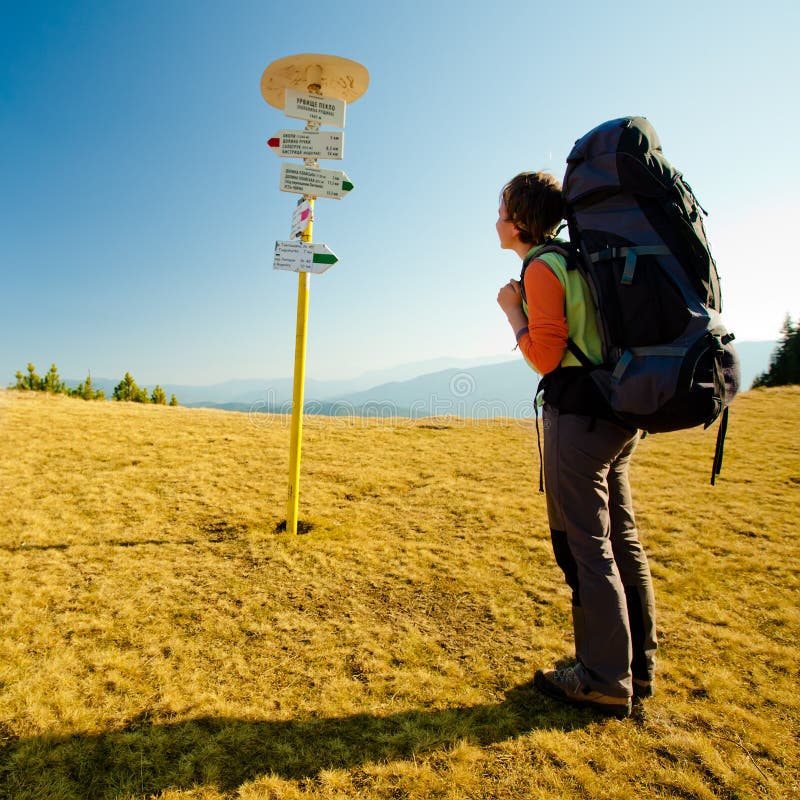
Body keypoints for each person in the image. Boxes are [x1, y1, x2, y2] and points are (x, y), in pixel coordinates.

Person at [495, 171, 657, 719]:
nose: (496, 220)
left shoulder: (542, 267)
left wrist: (512, 312)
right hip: (616, 412)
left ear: (519, 220)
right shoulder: (579, 258)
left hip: (580, 419)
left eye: (501, 210)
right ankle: (636, 665)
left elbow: (545, 356)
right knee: (621, 537)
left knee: (588, 546)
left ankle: (604, 678)